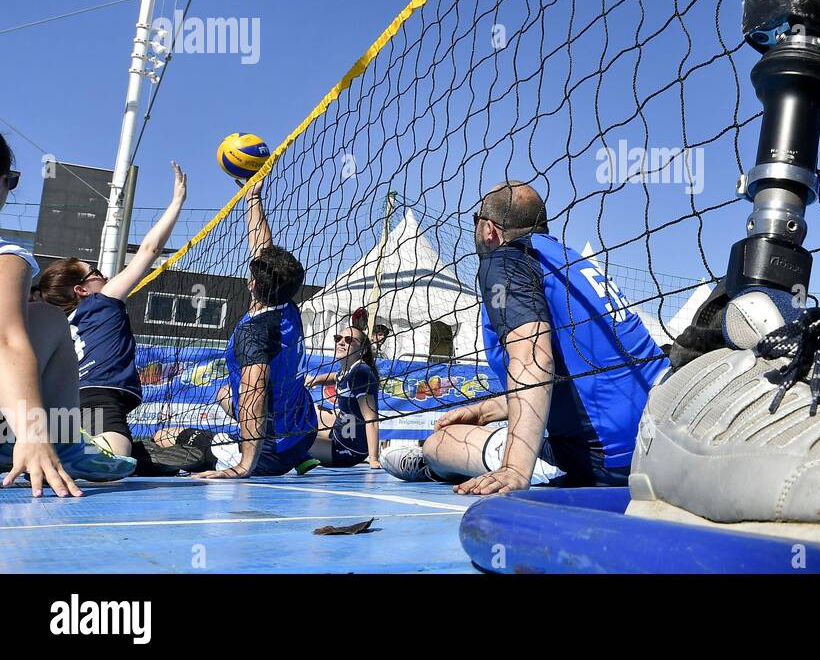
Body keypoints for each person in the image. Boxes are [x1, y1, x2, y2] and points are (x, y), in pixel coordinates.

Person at [381, 181, 668, 494]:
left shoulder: (505, 260)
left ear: (488, 229)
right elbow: (588, 377)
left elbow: (533, 358)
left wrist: (515, 469)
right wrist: (488, 410)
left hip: (609, 464)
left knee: (441, 441)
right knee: (486, 424)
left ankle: (432, 465)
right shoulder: (568, 261)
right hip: (663, 441)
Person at [155, 177, 318, 478]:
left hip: (270, 454)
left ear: (253, 284)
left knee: (165, 436)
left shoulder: (253, 333)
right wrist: (252, 199)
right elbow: (262, 251)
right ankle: (298, 453)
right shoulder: (287, 306)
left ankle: (250, 456)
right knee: (223, 393)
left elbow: (253, 393)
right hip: (304, 431)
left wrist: (244, 465)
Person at [0, 134, 133, 494]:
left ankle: (56, 439)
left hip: (81, 398)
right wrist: (33, 432)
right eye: (10, 180)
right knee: (45, 319)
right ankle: (56, 441)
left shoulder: (102, 305)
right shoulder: (8, 257)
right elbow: (8, 340)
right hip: (95, 397)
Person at [37, 162, 188, 458]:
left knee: (117, 453)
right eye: (94, 271)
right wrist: (177, 201)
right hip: (98, 397)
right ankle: (72, 456)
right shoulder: (101, 300)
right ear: (81, 289)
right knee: (116, 460)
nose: (103, 275)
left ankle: (61, 449)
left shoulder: (61, 323)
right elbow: (149, 250)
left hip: (65, 403)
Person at [305, 324, 381, 468]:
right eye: (338, 338)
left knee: (296, 441)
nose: (341, 342)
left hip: (349, 449)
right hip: (343, 432)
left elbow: (372, 420)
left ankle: (301, 458)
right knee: (308, 410)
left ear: (363, 350)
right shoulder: (347, 370)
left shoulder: (360, 373)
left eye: (349, 340)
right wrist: (316, 379)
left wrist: (373, 459)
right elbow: (335, 377)